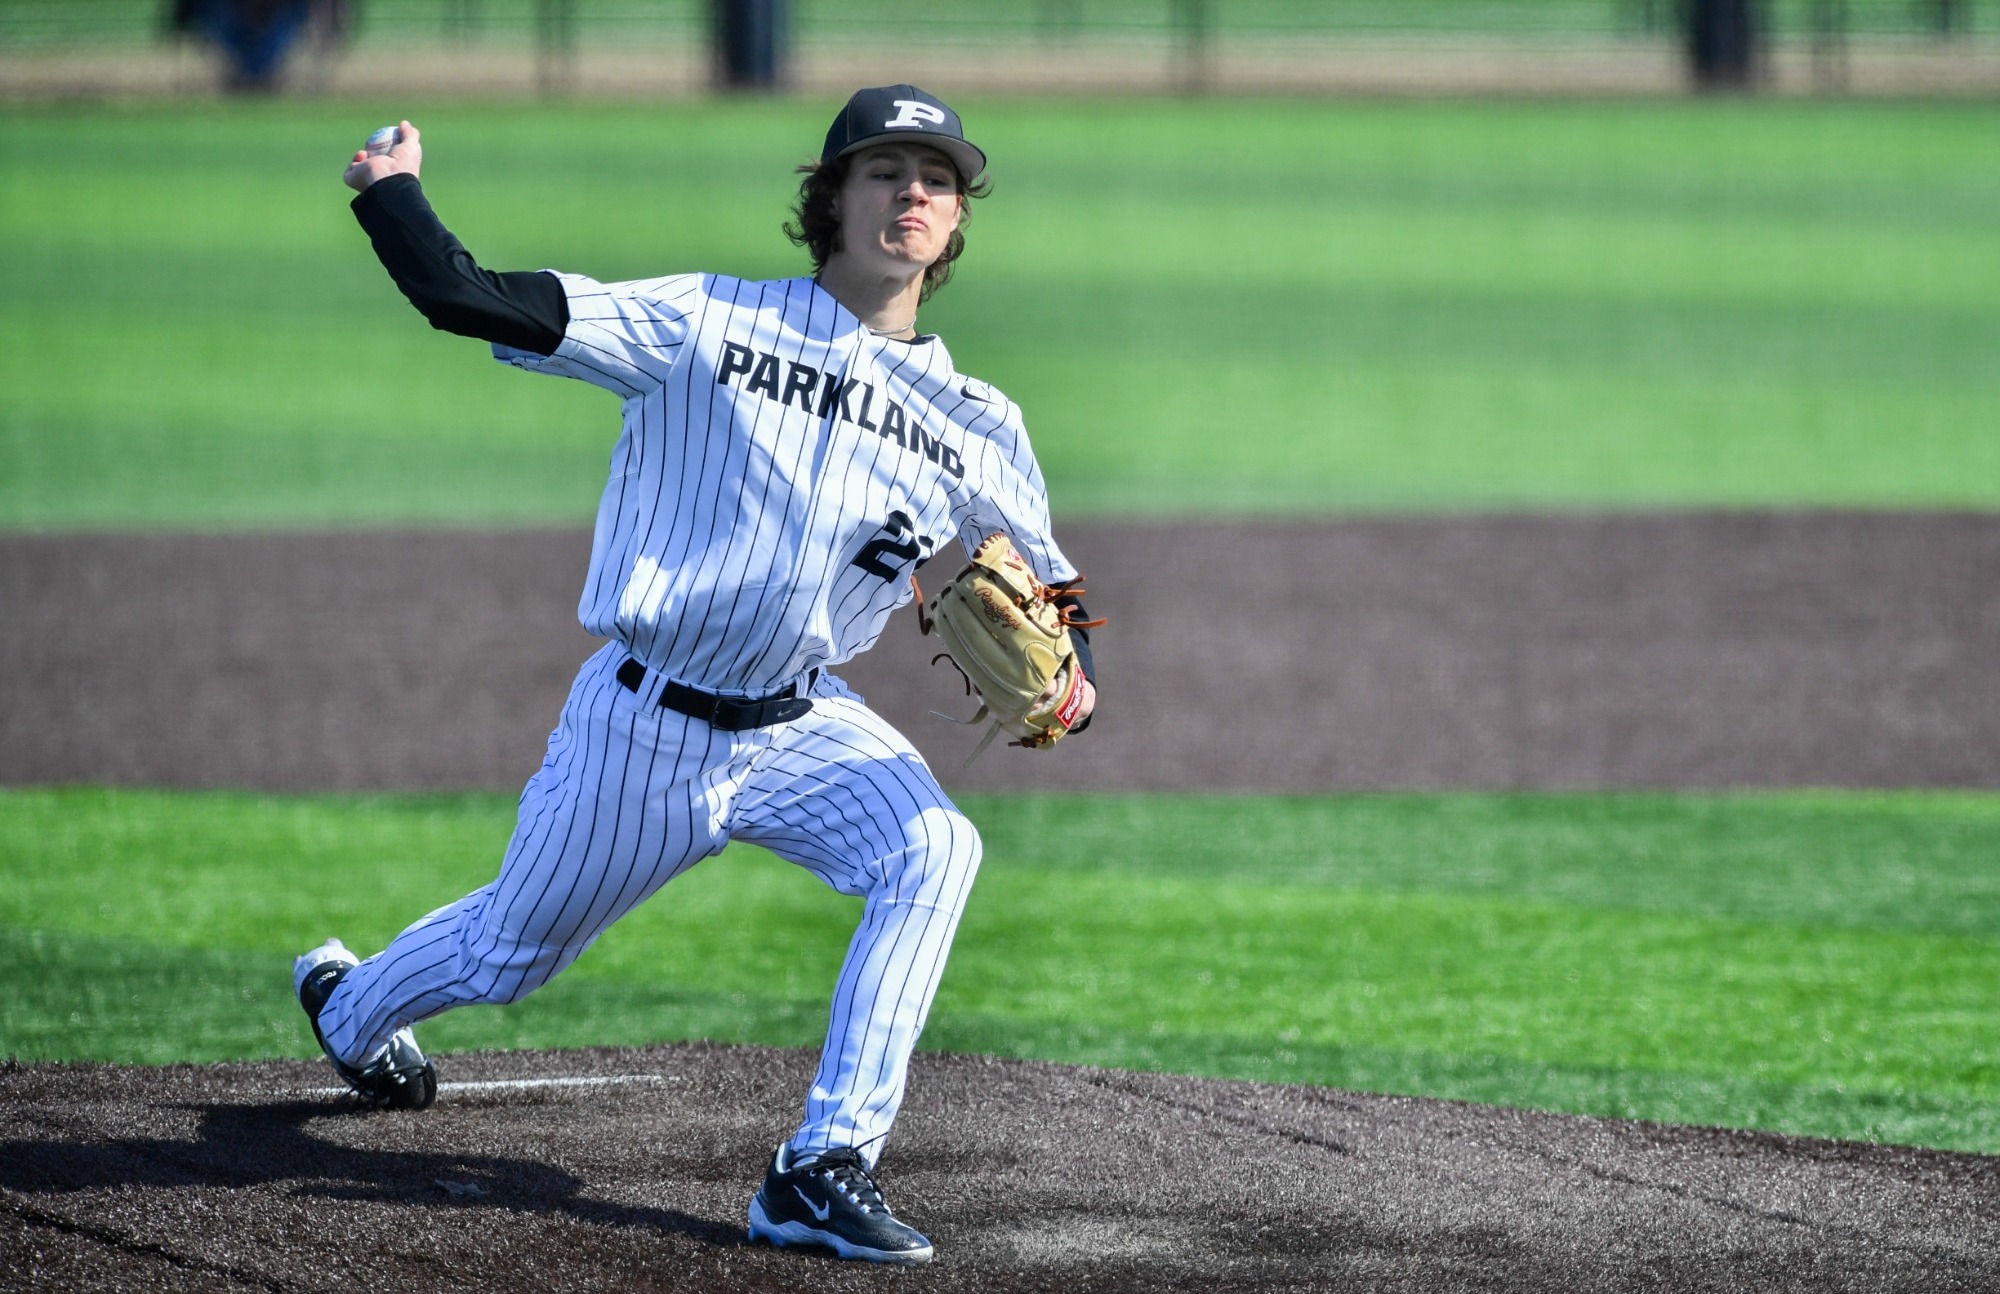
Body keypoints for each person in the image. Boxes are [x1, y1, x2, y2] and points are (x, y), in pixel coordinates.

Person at [292, 86, 1098, 1266]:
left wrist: (1073, 679)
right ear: (831, 199)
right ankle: (352, 1010)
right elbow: (466, 297)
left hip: (806, 723)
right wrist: (392, 194)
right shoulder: (704, 322)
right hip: (646, 727)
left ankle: (822, 1166)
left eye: (936, 178)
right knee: (506, 952)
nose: (912, 193)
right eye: (884, 171)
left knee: (935, 849)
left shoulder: (980, 419)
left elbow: (1052, 595)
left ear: (956, 218)